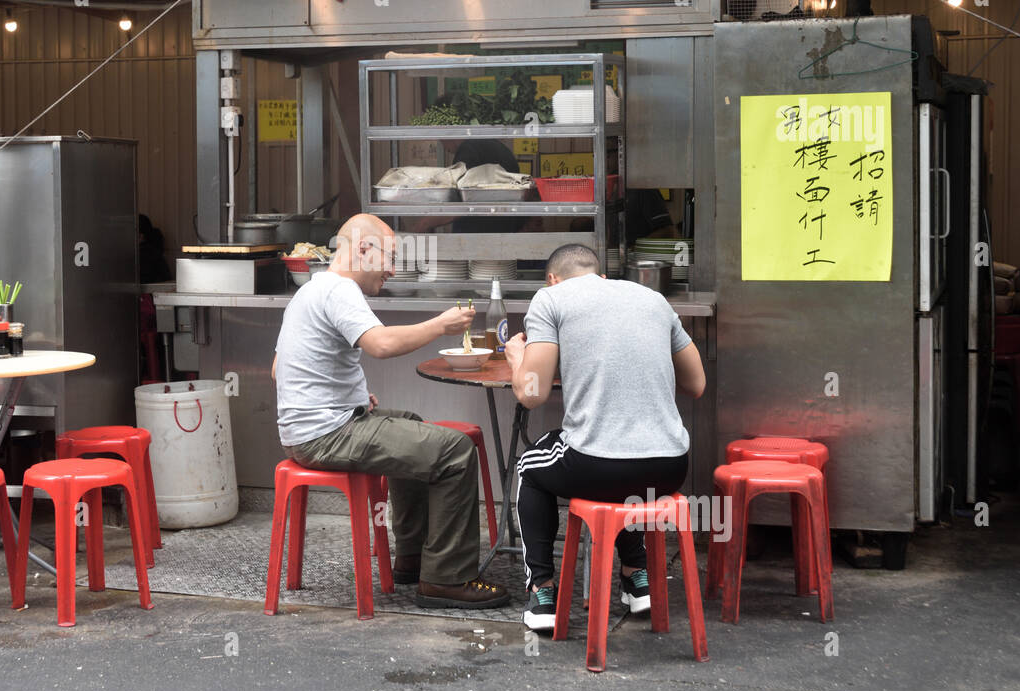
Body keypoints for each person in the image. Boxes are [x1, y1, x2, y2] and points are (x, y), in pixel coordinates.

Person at [271, 212, 510, 608]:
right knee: (454, 451)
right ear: (363, 249)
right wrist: (441, 324)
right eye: (390, 257)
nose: (393, 270)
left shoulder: (310, 292)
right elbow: (380, 346)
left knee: (412, 427)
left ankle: (412, 558)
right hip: (327, 435)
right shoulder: (339, 290)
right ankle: (447, 578)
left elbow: (281, 370)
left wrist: (352, 395)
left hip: (307, 432)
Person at [503, 243, 706, 631]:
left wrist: (518, 359)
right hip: (670, 467)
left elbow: (532, 393)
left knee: (531, 465)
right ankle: (636, 576)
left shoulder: (550, 298)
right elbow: (696, 383)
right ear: (602, 276)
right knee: (620, 457)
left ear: (553, 279)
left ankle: (543, 592)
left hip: (597, 467)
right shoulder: (652, 298)